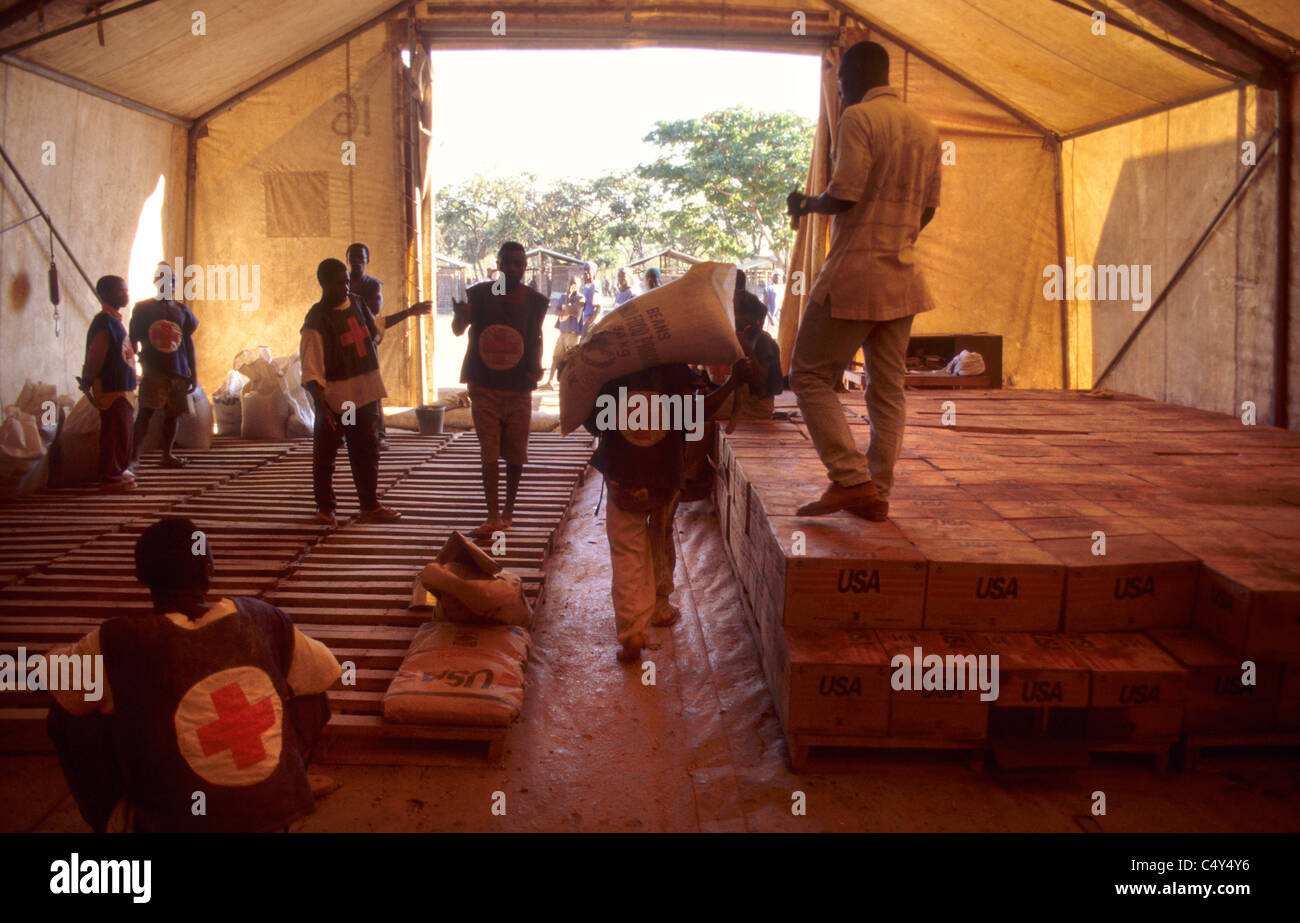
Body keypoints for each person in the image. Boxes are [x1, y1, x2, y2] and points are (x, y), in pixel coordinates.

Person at [45, 516, 341, 832]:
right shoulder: (264, 620)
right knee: (309, 682)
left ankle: (120, 814)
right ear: (208, 570)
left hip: (172, 821)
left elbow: (55, 681)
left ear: (141, 577)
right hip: (268, 816)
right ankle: (278, 784)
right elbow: (327, 669)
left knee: (66, 712)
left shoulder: (118, 641)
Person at [786, 40, 940, 523]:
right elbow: (929, 208)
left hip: (855, 275)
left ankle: (851, 480)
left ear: (854, 75)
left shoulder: (858, 118)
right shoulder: (926, 130)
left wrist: (807, 203)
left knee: (808, 374)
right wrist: (898, 234)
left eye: (839, 83)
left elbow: (846, 193)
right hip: (904, 277)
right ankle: (877, 489)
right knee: (887, 389)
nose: (838, 93)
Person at [585, 357, 755, 663]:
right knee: (660, 539)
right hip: (664, 478)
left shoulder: (611, 372)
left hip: (622, 478)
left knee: (627, 551)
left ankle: (632, 631)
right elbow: (698, 413)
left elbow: (591, 422)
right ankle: (660, 607)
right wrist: (731, 383)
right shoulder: (677, 374)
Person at [452, 241, 549, 538]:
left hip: (519, 389)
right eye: (506, 262)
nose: (511, 269)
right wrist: (460, 316)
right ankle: (493, 514)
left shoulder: (535, 301)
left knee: (516, 453)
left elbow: (535, 339)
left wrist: (535, 369)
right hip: (484, 387)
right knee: (489, 453)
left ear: (524, 267)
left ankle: (508, 511)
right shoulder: (481, 294)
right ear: (497, 264)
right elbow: (458, 329)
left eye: (518, 263)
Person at [300, 258, 403, 525]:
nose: (346, 286)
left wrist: (409, 311)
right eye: (339, 282)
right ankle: (325, 509)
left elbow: (375, 330)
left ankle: (369, 505)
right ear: (324, 284)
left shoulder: (357, 303)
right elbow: (311, 366)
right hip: (337, 400)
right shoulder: (317, 319)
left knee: (366, 450)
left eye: (347, 281)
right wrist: (321, 405)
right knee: (326, 454)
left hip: (364, 392)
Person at [344, 243, 433, 450]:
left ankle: (379, 433)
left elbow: (376, 318)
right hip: (344, 345)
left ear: (368, 260)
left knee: (372, 389)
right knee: (347, 391)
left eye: (360, 257)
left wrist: (409, 312)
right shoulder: (342, 285)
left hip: (364, 342)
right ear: (347, 260)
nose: (356, 261)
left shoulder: (372, 285)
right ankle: (348, 433)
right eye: (353, 257)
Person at [128, 262, 198, 469]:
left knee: (173, 414)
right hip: (154, 370)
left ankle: (167, 454)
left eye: (173, 280)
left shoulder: (183, 310)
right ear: (156, 281)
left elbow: (188, 343)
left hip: (178, 370)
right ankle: (133, 456)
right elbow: (133, 339)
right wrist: (138, 360)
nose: (170, 284)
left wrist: (193, 373)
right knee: (146, 413)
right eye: (165, 279)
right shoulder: (143, 309)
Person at [78, 275, 137, 491]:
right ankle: (110, 476)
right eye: (121, 291)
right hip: (112, 388)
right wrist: (88, 378)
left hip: (122, 387)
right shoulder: (104, 322)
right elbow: (96, 354)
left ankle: (118, 470)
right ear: (109, 294)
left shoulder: (114, 321)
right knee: (114, 432)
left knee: (123, 431)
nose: (126, 294)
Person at [545, 277, 584, 388]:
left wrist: (568, 298)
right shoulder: (562, 297)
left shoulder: (581, 298)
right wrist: (565, 308)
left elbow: (571, 311)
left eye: (574, 283)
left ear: (579, 285)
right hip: (562, 332)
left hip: (572, 333)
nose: (571, 285)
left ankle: (573, 383)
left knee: (571, 358)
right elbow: (556, 311)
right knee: (556, 356)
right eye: (570, 282)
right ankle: (550, 381)